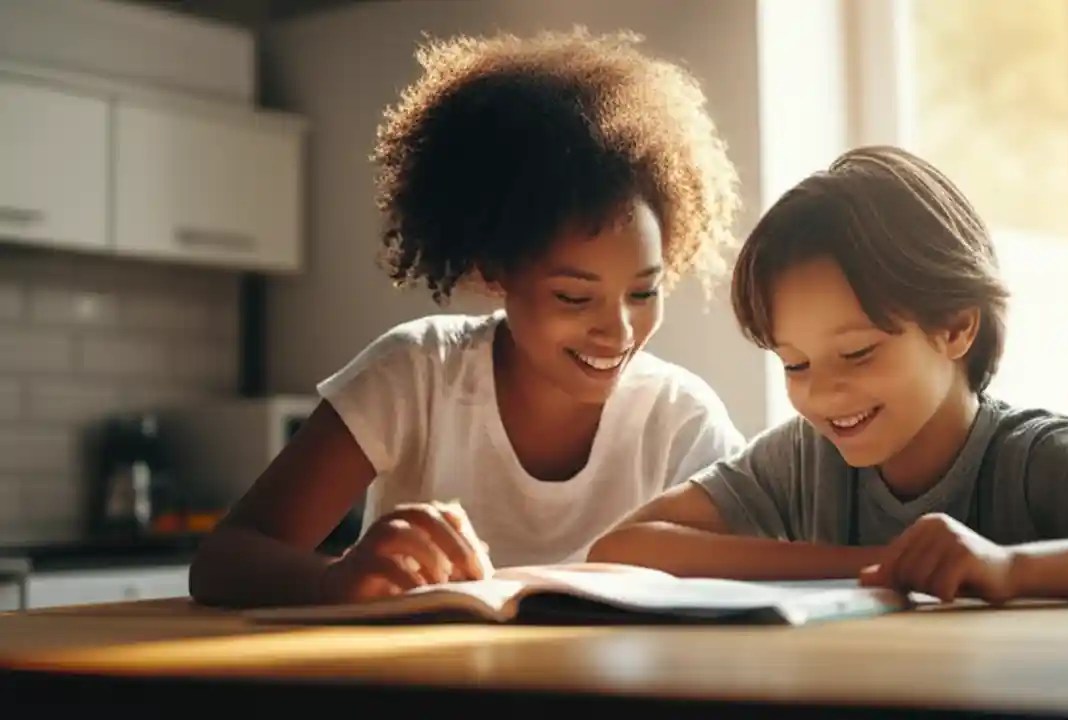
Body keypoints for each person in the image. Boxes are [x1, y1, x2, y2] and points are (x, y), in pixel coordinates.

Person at [189, 28, 745, 608]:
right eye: (574, 299)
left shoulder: (681, 420)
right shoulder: (415, 375)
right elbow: (223, 560)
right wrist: (335, 579)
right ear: (493, 271)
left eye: (643, 292)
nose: (620, 331)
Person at [589, 145, 1068, 604]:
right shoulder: (803, 459)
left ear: (956, 328)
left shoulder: (1030, 457)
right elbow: (625, 549)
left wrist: (1007, 567)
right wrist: (873, 566)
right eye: (794, 364)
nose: (821, 394)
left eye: (857, 354)